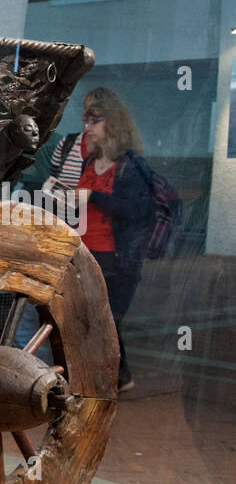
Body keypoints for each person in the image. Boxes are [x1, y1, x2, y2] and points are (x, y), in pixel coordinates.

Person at [71, 87, 152, 392]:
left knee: (105, 318)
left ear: (112, 125)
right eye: (86, 121)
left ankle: (115, 377)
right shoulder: (88, 163)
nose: (87, 128)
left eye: (95, 121)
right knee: (95, 318)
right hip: (86, 249)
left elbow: (137, 210)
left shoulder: (131, 165)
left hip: (115, 256)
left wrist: (94, 196)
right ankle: (117, 376)